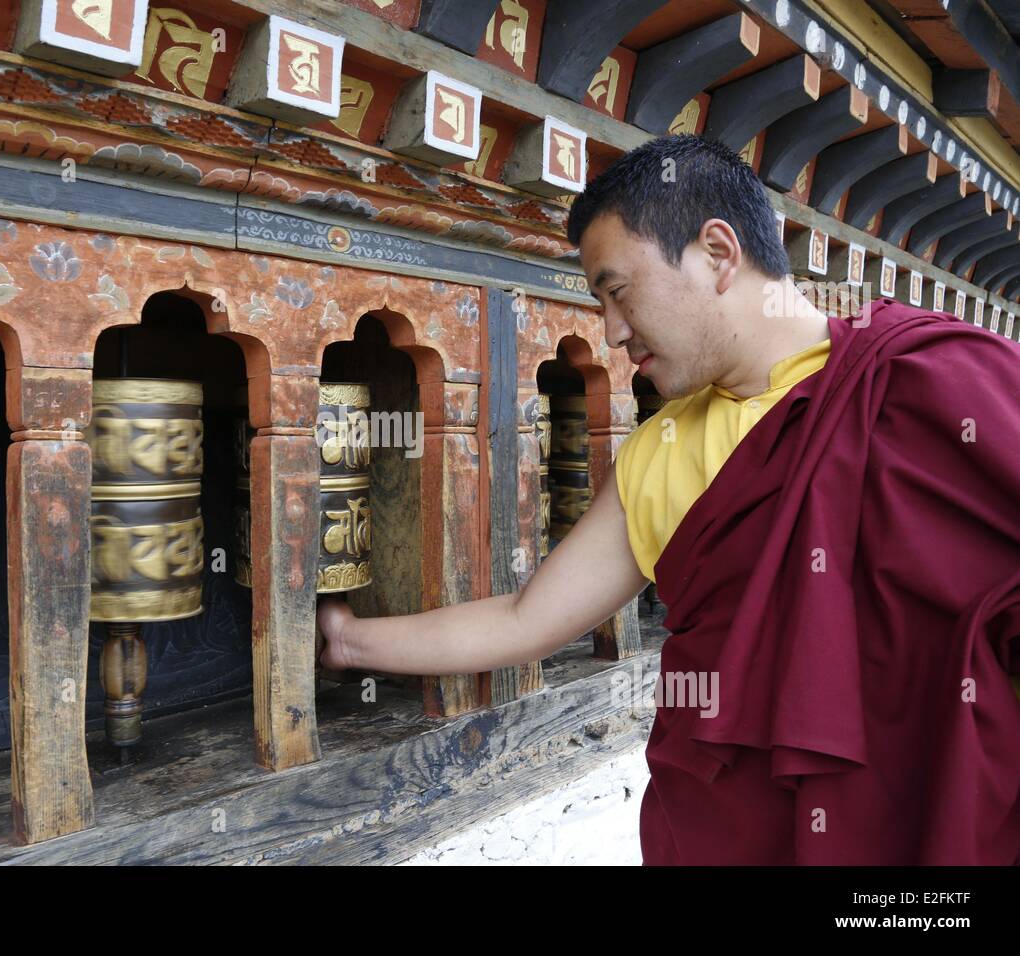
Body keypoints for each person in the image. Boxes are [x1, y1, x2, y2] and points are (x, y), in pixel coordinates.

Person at [315, 133, 1020, 865]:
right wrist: (353, 640)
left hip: (931, 833)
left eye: (617, 291)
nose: (613, 332)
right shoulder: (657, 456)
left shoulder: (932, 379)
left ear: (717, 252)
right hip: (731, 832)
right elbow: (526, 620)